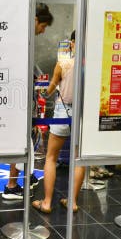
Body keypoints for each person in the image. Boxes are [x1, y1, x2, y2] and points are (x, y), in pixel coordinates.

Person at [31, 31, 87, 213]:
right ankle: (72, 202)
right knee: (79, 159)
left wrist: (43, 91)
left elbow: (50, 88)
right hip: (83, 114)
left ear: (72, 43)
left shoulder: (63, 64)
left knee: (51, 157)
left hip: (63, 110)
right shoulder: (93, 66)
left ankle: (47, 202)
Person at [3, 2, 53, 200]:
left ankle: (25, 175)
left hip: (22, 99)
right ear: (35, 21)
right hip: (21, 102)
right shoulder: (22, 41)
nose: (42, 31)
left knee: (28, 141)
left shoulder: (20, 39)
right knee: (21, 142)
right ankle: (12, 185)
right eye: (42, 26)